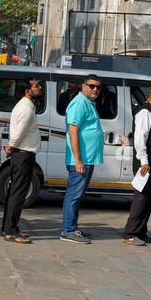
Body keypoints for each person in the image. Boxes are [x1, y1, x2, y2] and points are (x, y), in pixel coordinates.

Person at [60, 75, 104, 244]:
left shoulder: (88, 103)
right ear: (83, 86)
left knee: (78, 196)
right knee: (74, 195)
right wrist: (78, 160)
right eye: (91, 86)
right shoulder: (79, 103)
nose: (95, 89)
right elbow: (73, 132)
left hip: (87, 158)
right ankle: (67, 230)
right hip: (80, 160)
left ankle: (72, 227)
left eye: (98, 87)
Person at [121, 83, 151, 246]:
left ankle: (141, 231)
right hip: (145, 163)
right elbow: (140, 138)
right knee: (141, 198)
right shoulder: (146, 111)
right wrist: (144, 161)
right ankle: (130, 233)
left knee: (149, 198)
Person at [3, 78, 43, 244]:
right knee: (18, 194)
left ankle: (10, 227)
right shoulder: (26, 107)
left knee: (15, 192)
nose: (40, 89)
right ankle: (10, 231)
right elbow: (19, 132)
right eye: (36, 86)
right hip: (23, 154)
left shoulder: (25, 105)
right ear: (28, 90)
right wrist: (11, 146)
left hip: (22, 153)